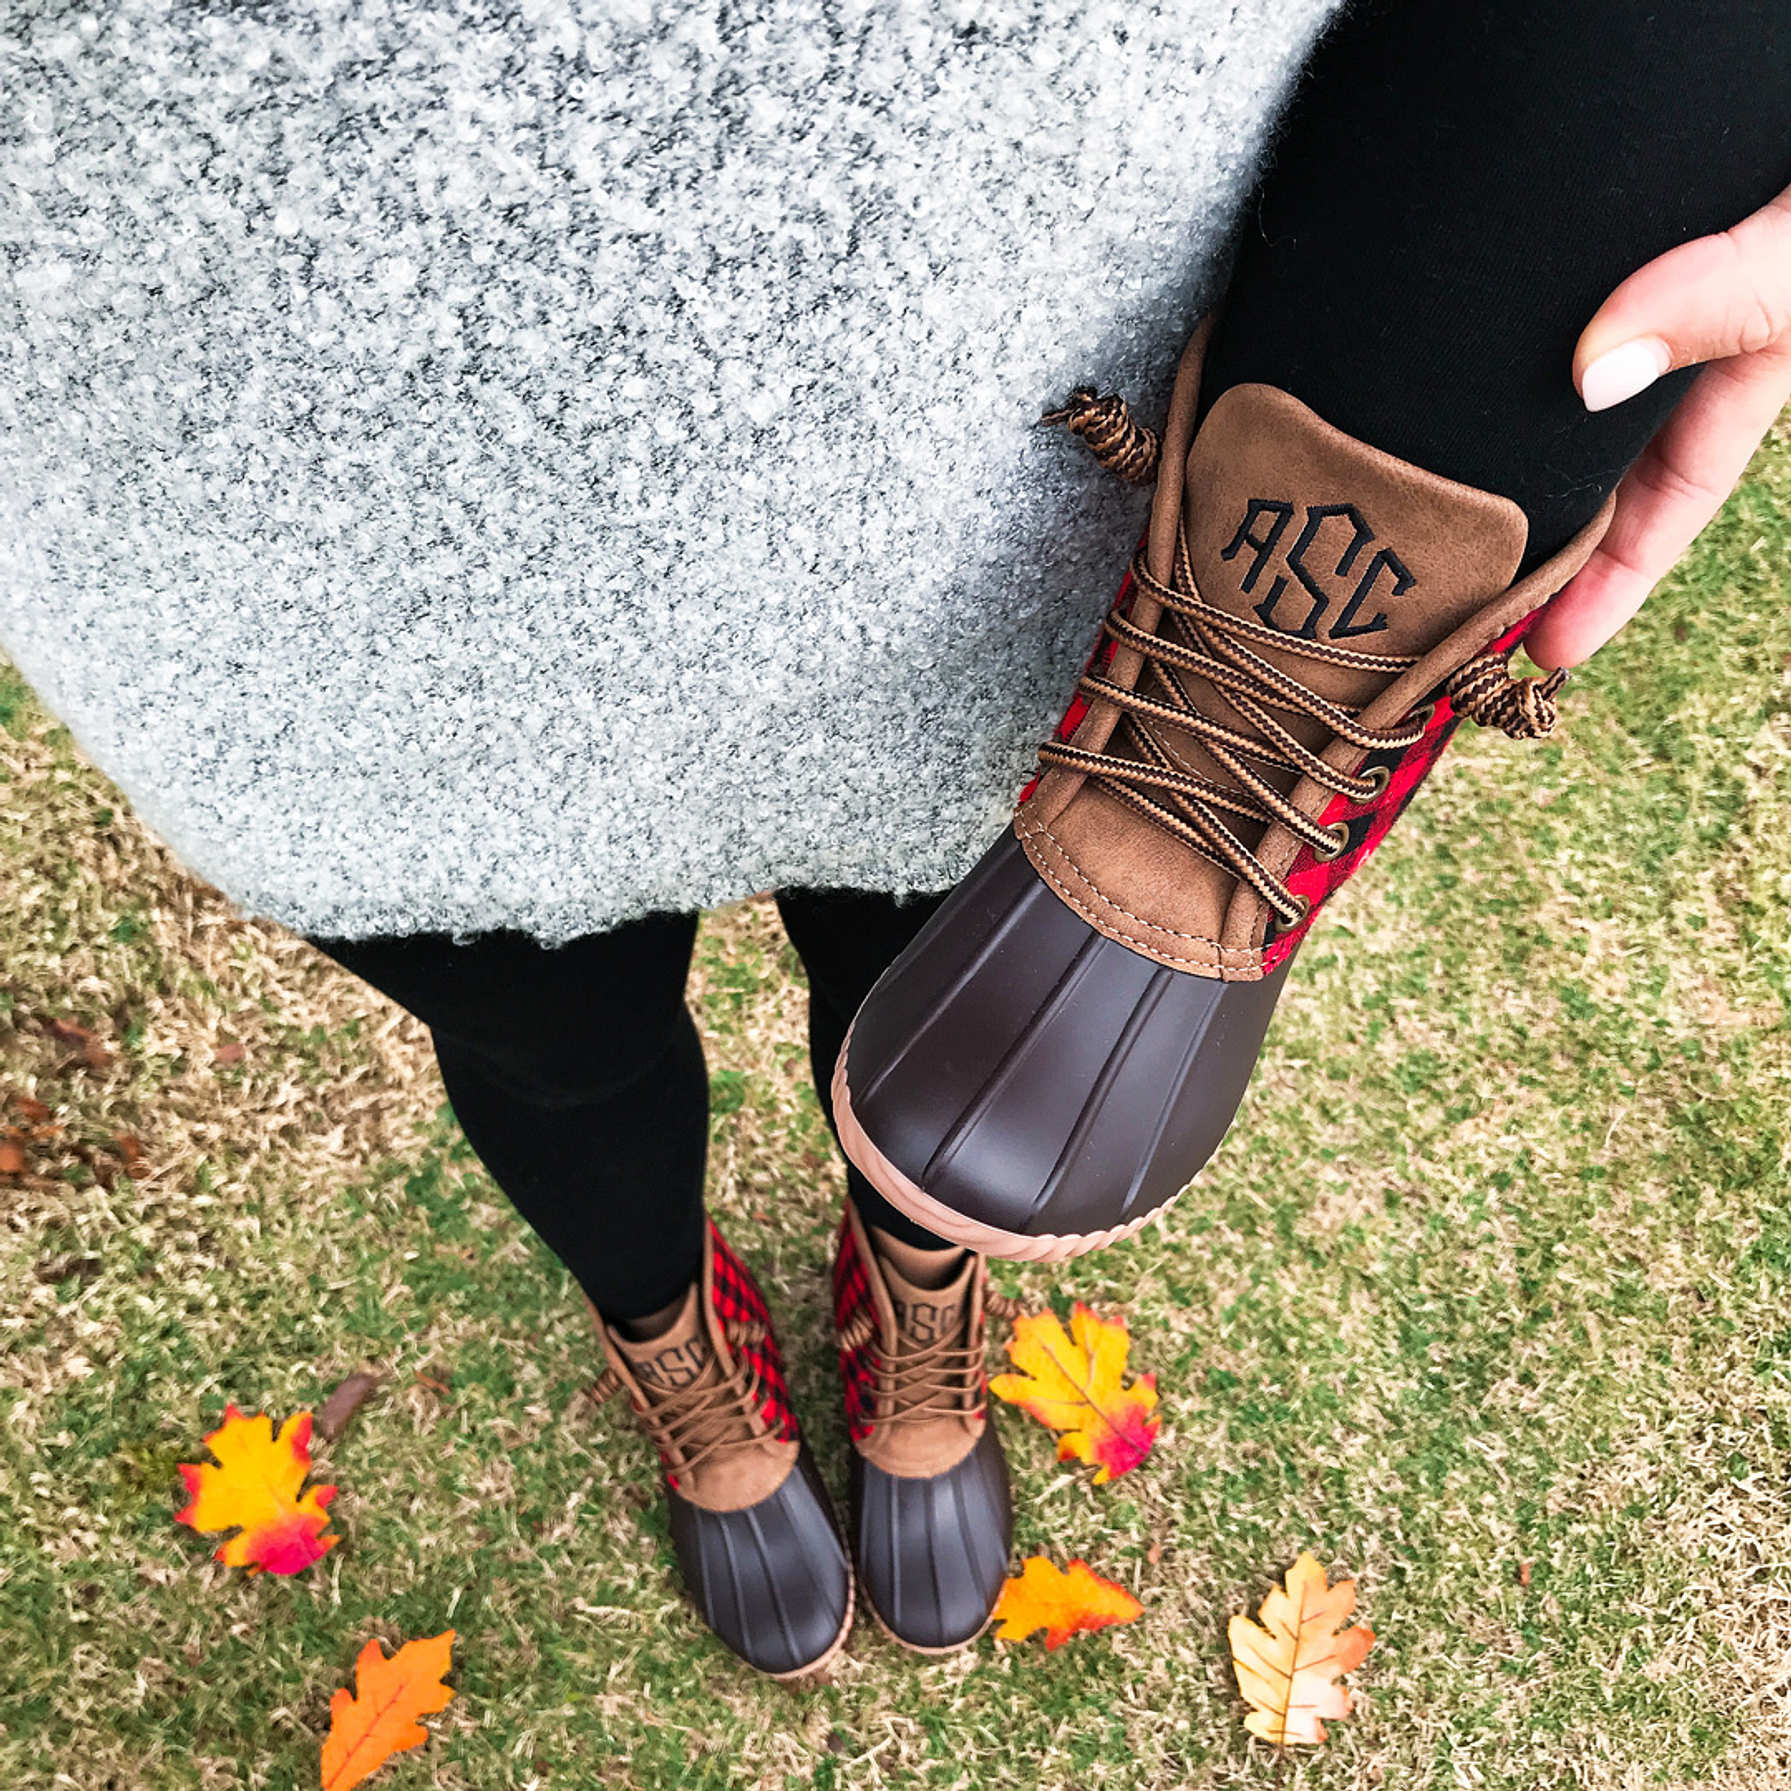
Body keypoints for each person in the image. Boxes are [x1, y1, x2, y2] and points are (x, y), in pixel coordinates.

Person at [1, 0, 1786, 1679]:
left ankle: (913, 1290)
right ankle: (662, 1333)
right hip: (235, 501)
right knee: (549, 1035)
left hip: (985, 404)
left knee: (937, 963)